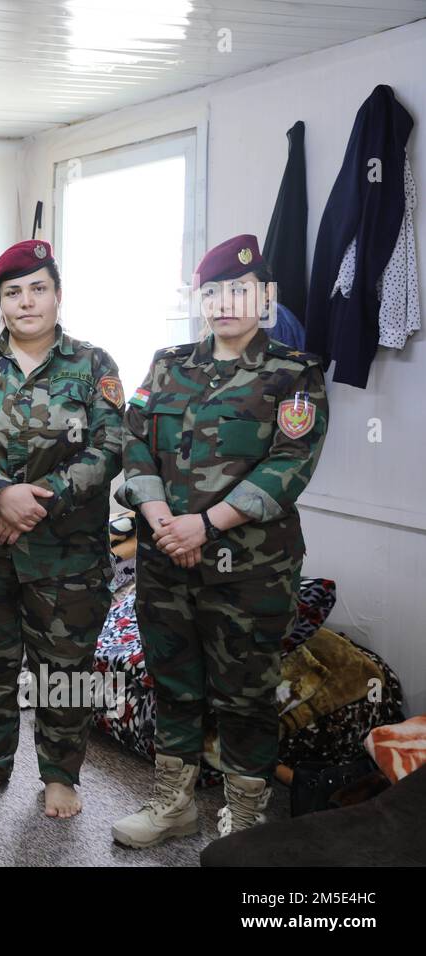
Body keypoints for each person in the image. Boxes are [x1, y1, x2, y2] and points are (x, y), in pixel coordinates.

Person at [111, 234, 329, 848]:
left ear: (264, 295)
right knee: (172, 681)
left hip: (251, 568)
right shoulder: (167, 363)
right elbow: (134, 446)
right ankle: (173, 804)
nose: (225, 302)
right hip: (165, 558)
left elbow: (287, 467)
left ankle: (244, 818)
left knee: (247, 693)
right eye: (211, 291)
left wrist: (202, 527)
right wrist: (162, 524)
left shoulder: (295, 374)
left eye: (239, 289)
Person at [0, 239, 123, 818]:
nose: (27, 301)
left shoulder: (94, 366)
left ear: (58, 295)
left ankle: (61, 774)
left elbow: (111, 445)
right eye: (13, 292)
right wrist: (0, 494)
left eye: (38, 288)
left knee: (64, 669)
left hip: (65, 553)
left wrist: (37, 503)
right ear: (0, 302)